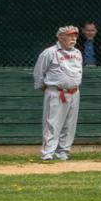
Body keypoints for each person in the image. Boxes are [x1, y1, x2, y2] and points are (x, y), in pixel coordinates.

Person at [34, 25, 84, 161]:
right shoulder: (49, 52)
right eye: (69, 35)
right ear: (60, 37)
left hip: (74, 93)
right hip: (56, 92)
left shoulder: (77, 53)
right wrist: (47, 89)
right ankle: (48, 153)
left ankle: (64, 152)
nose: (73, 38)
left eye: (75, 36)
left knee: (69, 124)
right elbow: (39, 73)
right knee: (52, 123)